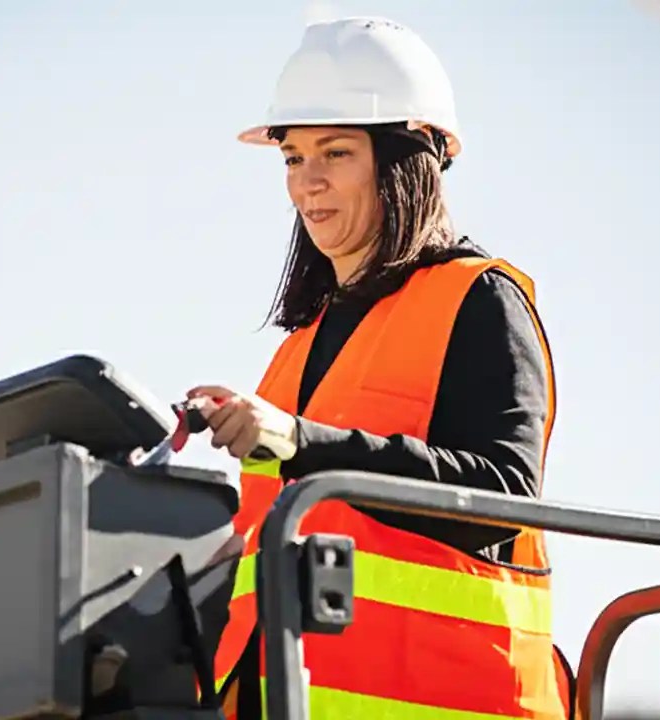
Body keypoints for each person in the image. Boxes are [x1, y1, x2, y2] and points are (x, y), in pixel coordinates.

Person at [186, 17, 573, 720]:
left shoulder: (479, 298)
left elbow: (505, 496)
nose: (309, 184)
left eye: (335, 152)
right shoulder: (298, 348)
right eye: (293, 159)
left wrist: (305, 444)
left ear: (403, 160)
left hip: (455, 703)